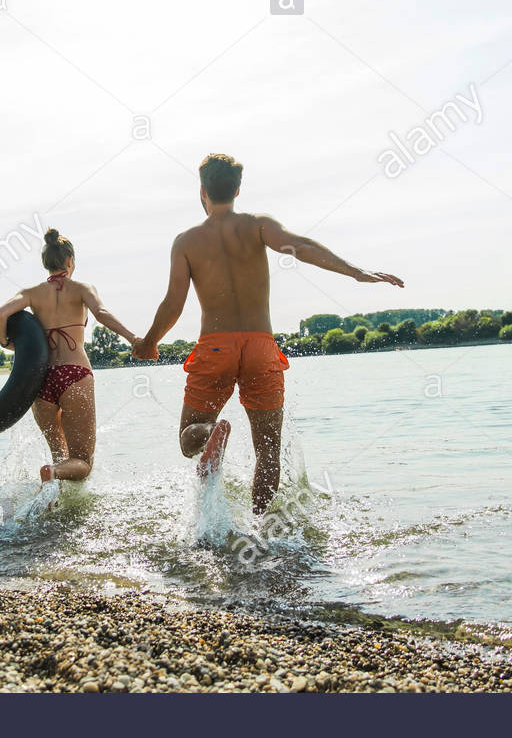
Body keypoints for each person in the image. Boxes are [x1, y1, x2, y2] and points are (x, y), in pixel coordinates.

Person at [132, 154, 404, 514]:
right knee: (268, 452)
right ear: (238, 189)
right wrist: (355, 271)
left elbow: (173, 304)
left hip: (215, 348)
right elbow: (303, 247)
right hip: (261, 347)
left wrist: (150, 341)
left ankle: (211, 435)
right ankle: (261, 533)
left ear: (202, 191)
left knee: (189, 437)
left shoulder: (187, 241)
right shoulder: (258, 226)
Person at [0, 229, 140, 484]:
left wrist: (7, 343)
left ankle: (54, 486)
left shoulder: (31, 293)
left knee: (60, 455)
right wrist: (133, 339)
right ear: (70, 261)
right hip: (75, 374)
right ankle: (53, 472)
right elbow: (102, 313)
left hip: (40, 381)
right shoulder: (82, 288)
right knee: (82, 462)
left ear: (45, 262)